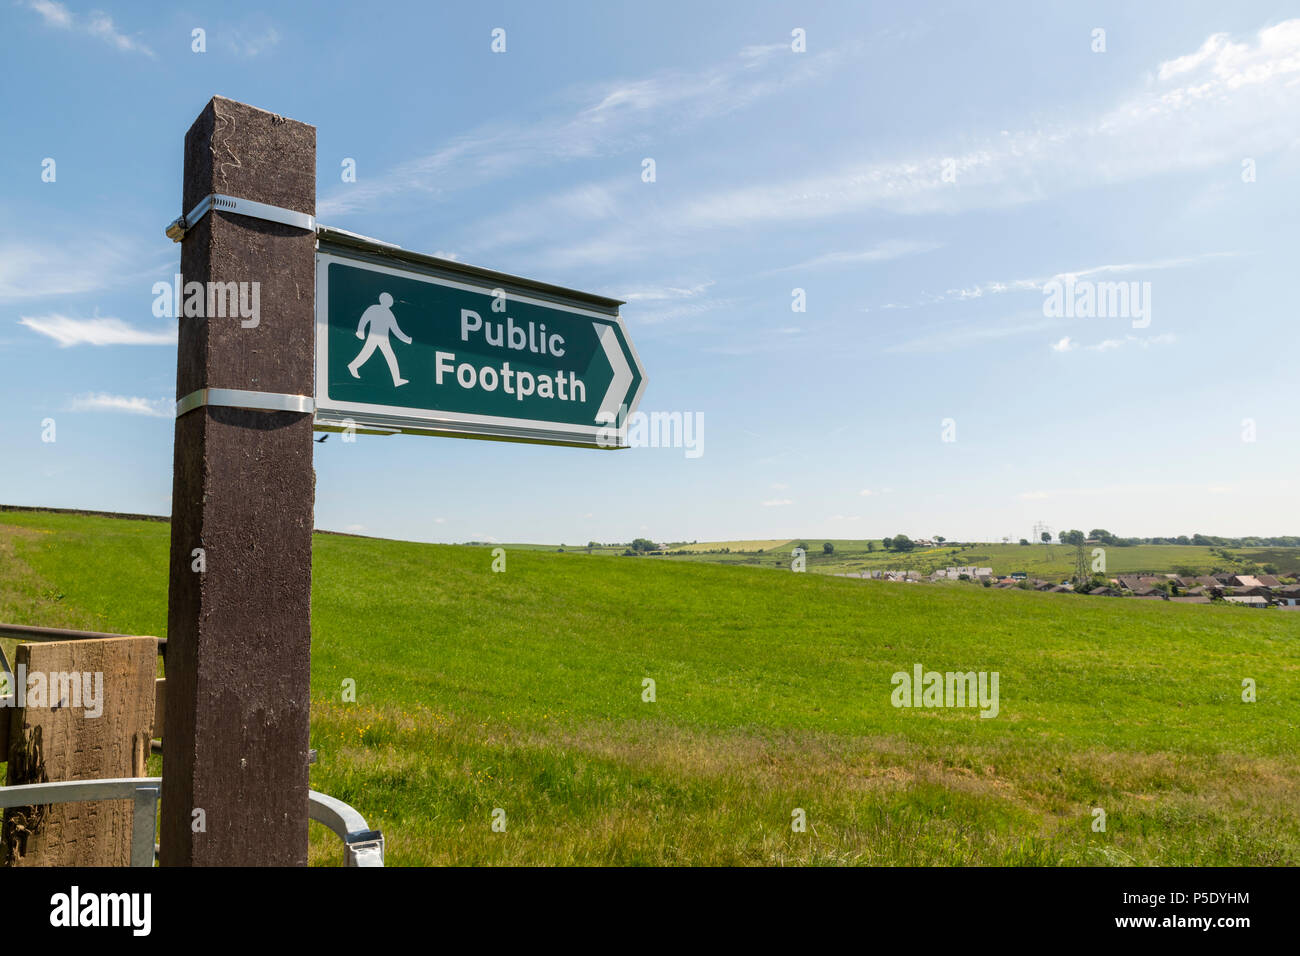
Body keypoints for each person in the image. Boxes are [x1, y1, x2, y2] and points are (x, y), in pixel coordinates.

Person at [347, 292, 411, 386]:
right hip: (374, 337)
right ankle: (353, 366)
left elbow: (396, 329)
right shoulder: (374, 309)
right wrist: (360, 331)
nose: (391, 302)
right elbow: (364, 319)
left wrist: (406, 339)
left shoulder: (389, 313)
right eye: (389, 300)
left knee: (383, 356)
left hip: (383, 340)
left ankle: (397, 380)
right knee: (373, 354)